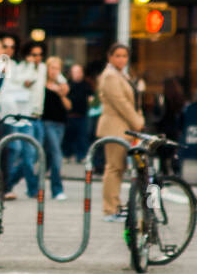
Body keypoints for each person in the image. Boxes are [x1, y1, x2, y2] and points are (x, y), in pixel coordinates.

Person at [96, 43, 145, 221]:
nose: (121, 59)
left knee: (119, 168)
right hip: (115, 126)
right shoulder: (110, 76)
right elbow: (120, 102)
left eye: (124, 56)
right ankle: (110, 209)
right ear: (110, 57)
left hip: (124, 127)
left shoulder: (122, 74)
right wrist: (138, 121)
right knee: (114, 168)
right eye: (117, 55)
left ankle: (115, 206)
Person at [0, 41, 45, 199]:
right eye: (33, 54)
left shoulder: (43, 68)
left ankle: (10, 181)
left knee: (34, 154)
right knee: (23, 151)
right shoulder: (19, 67)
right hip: (22, 114)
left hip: (37, 114)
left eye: (39, 55)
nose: (36, 58)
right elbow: (15, 83)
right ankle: (31, 189)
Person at [40, 56, 71, 199]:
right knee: (57, 154)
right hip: (47, 122)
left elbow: (68, 106)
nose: (54, 71)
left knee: (47, 157)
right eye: (52, 68)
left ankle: (33, 184)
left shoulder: (62, 85)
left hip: (61, 122)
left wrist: (62, 94)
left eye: (57, 68)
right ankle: (57, 189)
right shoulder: (41, 84)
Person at [61, 63, 92, 164]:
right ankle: (67, 154)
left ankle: (81, 155)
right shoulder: (67, 84)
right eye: (75, 72)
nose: (77, 74)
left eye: (79, 72)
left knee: (82, 137)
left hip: (82, 115)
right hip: (69, 115)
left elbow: (91, 98)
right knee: (68, 136)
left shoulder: (86, 85)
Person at [156, 77, 187, 176]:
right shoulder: (179, 98)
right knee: (173, 150)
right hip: (175, 129)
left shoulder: (164, 98)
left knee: (163, 152)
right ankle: (176, 170)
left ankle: (164, 171)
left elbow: (161, 114)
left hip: (165, 128)